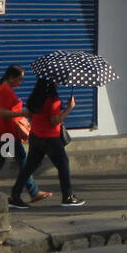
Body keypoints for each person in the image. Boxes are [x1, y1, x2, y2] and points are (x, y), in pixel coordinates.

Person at [9, 78, 84, 210]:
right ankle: (68, 197)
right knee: (63, 165)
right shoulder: (54, 101)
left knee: (29, 167)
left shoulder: (36, 98)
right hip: (51, 139)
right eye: (56, 81)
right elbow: (55, 121)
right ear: (51, 84)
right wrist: (69, 108)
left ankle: (15, 195)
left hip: (36, 136)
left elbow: (31, 115)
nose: (58, 83)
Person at [0, 66, 52, 203]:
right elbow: (1, 113)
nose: (21, 82)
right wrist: (22, 113)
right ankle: (32, 192)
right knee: (22, 162)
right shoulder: (5, 90)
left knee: (2, 163)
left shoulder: (4, 89)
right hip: (7, 133)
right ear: (11, 77)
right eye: (19, 79)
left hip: (8, 132)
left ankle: (32, 191)